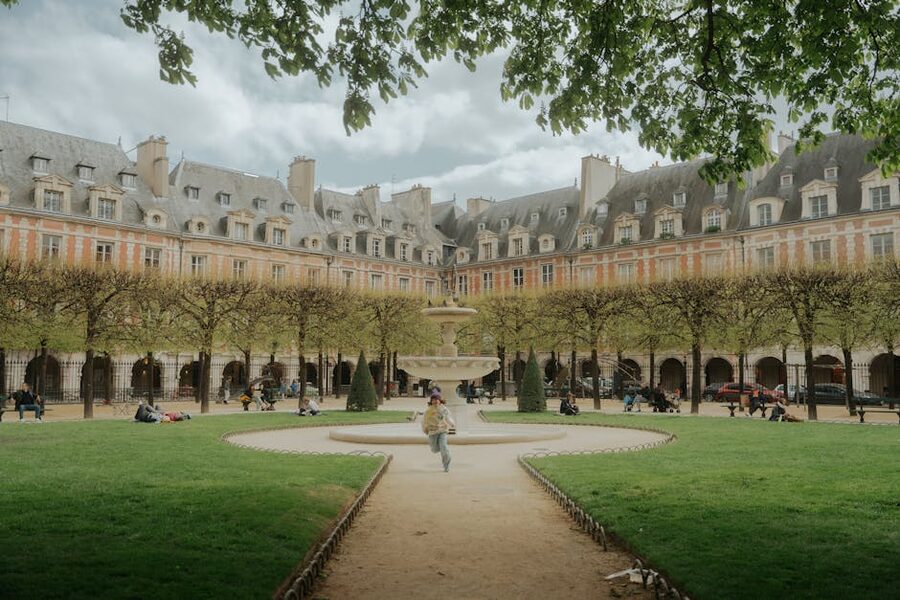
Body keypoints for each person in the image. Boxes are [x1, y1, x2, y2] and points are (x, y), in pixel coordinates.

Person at [422, 391, 454, 472]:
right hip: (433, 431)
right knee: (434, 449)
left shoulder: (444, 409)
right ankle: (442, 449)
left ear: (440, 400)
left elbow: (448, 417)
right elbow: (424, 421)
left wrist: (451, 423)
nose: (435, 401)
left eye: (437, 399)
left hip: (442, 430)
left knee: (444, 447)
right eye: (433, 399)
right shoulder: (428, 411)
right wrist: (425, 428)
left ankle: (446, 464)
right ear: (431, 401)